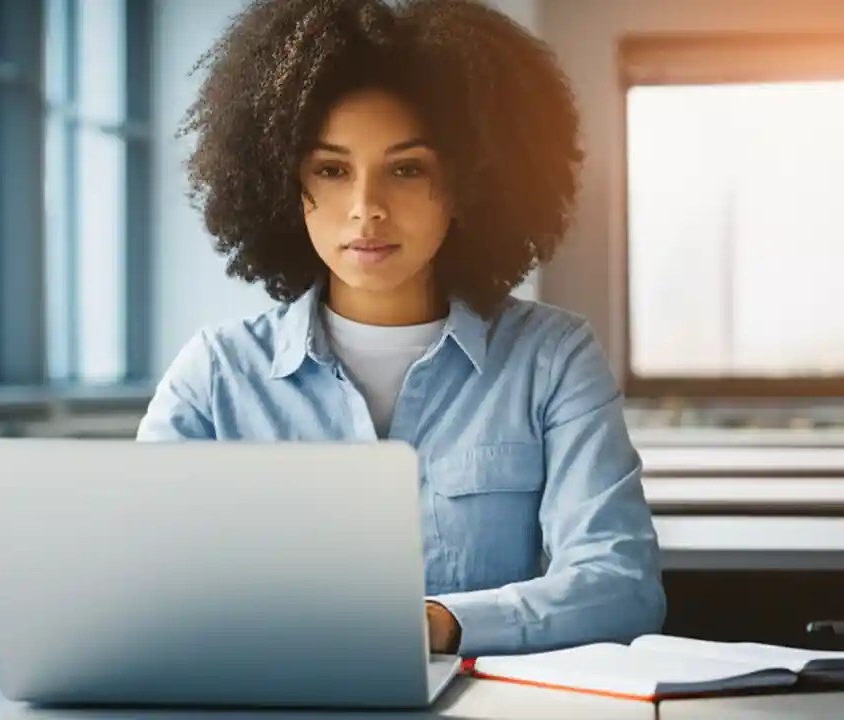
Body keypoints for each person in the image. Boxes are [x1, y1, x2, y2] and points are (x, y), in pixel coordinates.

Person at [137, 0, 665, 657]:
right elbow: (143, 587)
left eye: (407, 169)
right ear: (281, 183)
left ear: (470, 183)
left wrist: (435, 624)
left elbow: (621, 587)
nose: (367, 210)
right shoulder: (215, 375)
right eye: (331, 170)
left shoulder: (551, 358)